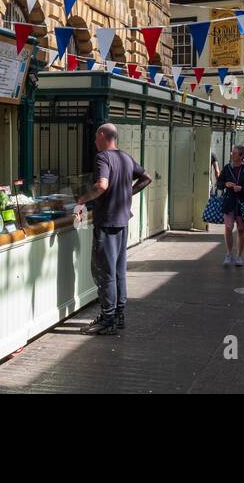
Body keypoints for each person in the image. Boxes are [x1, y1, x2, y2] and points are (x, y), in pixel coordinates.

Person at [73, 123, 151, 336]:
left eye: (95, 138)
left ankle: (107, 319)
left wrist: (83, 199)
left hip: (107, 222)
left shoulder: (103, 158)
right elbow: (147, 178)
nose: (94, 142)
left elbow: (102, 185)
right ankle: (118, 315)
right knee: (118, 271)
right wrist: (128, 194)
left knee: (105, 272)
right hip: (122, 221)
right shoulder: (126, 158)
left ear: (101, 136)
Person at [216, 144, 244, 267]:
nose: (232, 155)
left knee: (241, 230)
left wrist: (242, 188)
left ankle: (239, 256)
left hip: (243, 202)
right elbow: (218, 183)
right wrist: (226, 184)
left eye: (235, 153)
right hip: (229, 202)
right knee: (228, 228)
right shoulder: (227, 168)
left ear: (241, 156)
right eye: (232, 152)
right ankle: (229, 254)